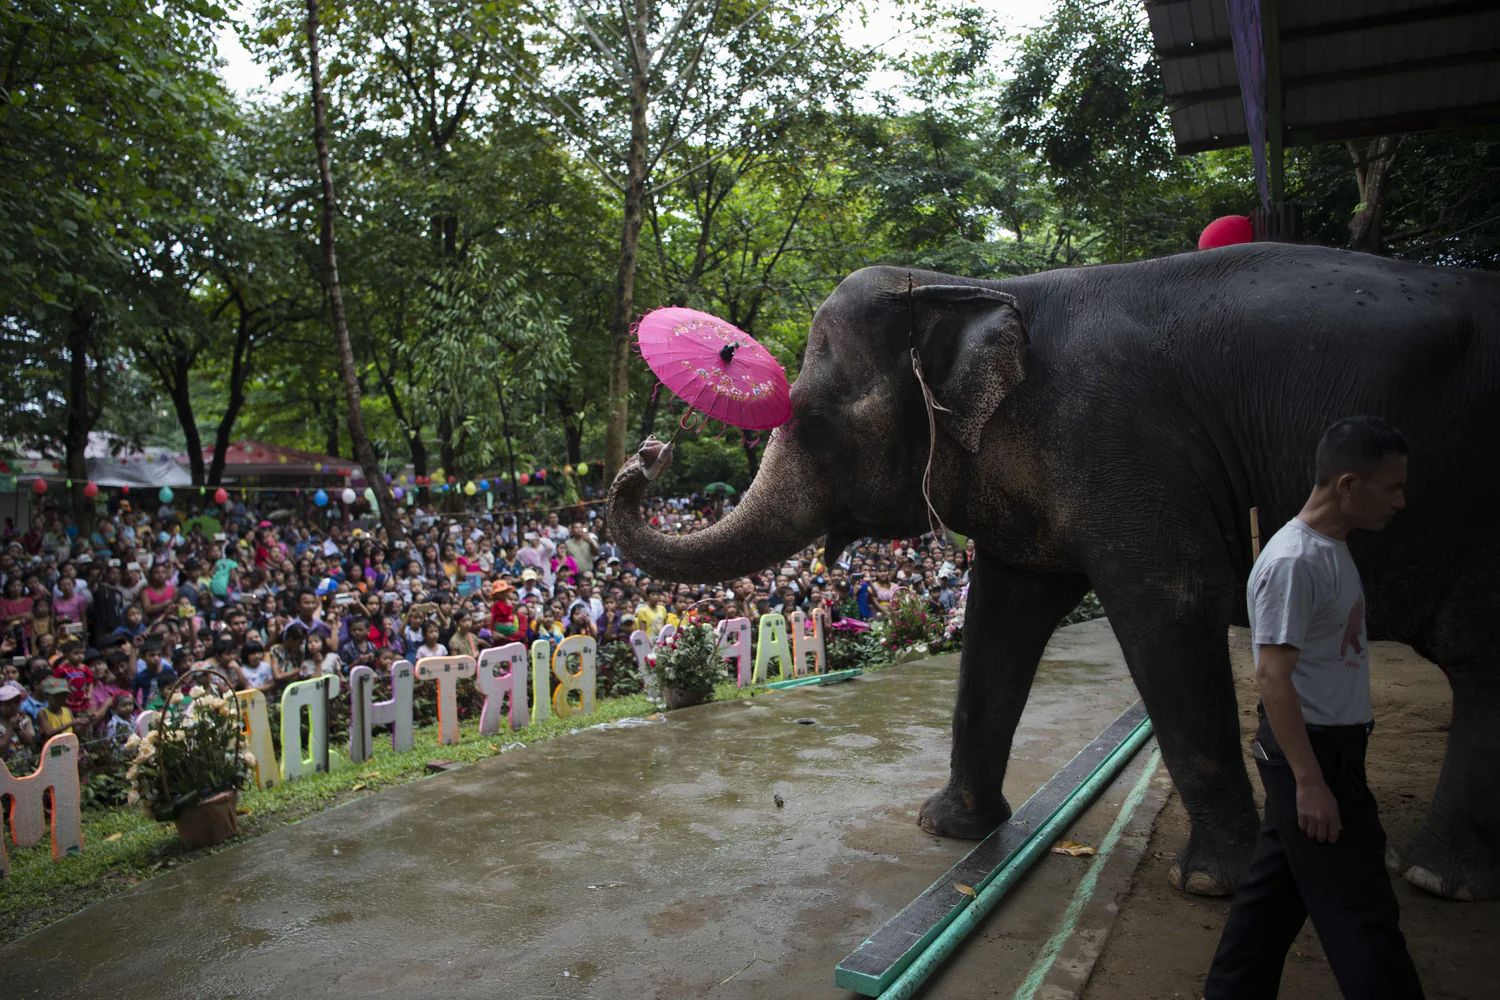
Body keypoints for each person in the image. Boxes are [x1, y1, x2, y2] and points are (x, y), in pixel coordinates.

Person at [1202, 417, 1422, 1000]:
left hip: (1326, 748)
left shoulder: (1330, 550)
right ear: (1348, 484)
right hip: (1315, 754)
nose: (1401, 501)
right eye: (1393, 486)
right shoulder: (1294, 562)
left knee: (1269, 906)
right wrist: (1309, 781)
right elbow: (1273, 679)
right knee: (1364, 916)